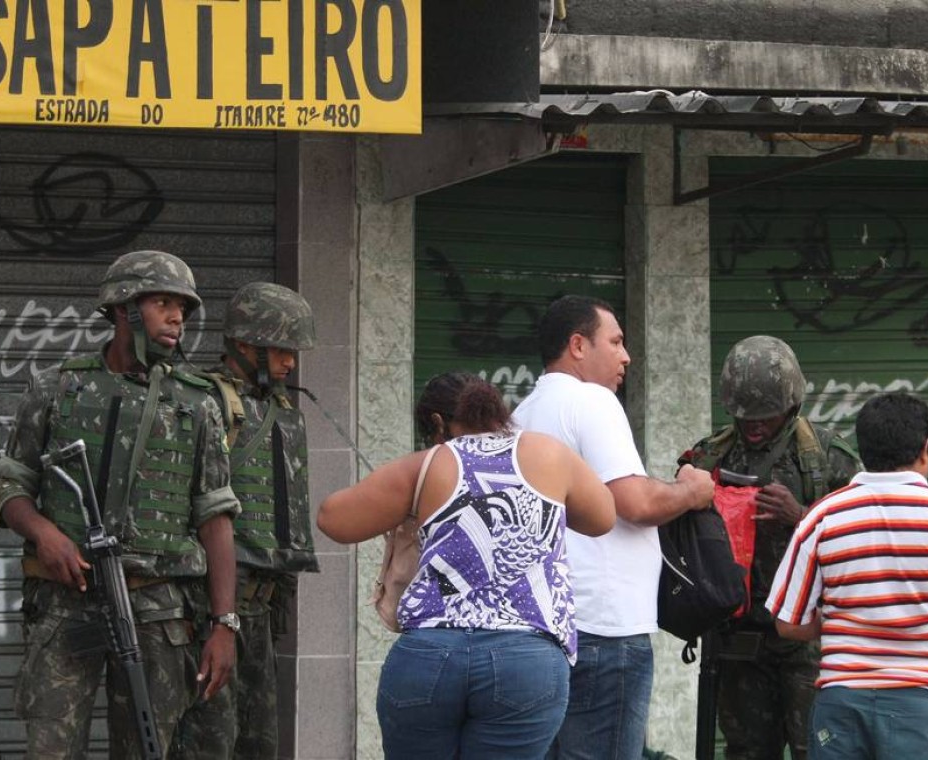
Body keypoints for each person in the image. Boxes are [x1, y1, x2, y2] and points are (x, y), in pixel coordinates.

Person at [0, 250, 240, 757]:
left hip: (156, 609)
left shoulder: (198, 403)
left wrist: (224, 624)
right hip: (66, 604)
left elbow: (216, 519)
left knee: (147, 748)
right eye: (163, 303)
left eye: (184, 309)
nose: (177, 318)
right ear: (125, 308)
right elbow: (11, 487)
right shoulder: (57, 388)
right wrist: (45, 534)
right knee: (51, 748)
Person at [317, 372, 616, 759]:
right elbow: (602, 517)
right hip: (526, 661)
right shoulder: (550, 454)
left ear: (438, 423)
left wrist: (412, 499)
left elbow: (332, 519)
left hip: (428, 658)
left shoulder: (427, 466)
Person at [511, 294, 715, 760]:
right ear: (578, 346)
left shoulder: (520, 414)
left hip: (542, 628)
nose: (626, 356)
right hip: (603, 629)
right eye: (616, 341)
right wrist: (691, 490)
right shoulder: (592, 401)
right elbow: (635, 502)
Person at [767, 391, 928, 760]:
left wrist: (847, 618)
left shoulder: (821, 518)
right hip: (920, 708)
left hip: (841, 707)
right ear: (925, 449)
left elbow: (788, 623)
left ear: (862, 452)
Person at [678, 335, 860, 760]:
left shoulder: (828, 458)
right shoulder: (709, 458)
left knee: (819, 750)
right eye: (745, 416)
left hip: (808, 640)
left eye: (766, 415)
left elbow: (863, 539)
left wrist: (801, 515)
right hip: (737, 639)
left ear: (791, 405)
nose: (755, 425)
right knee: (745, 752)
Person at [171, 282, 321, 759]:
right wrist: (218, 617)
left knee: (259, 745)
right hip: (206, 609)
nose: (290, 362)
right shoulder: (202, 401)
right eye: (280, 348)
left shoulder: (280, 407)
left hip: (259, 609)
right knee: (207, 743)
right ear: (243, 343)